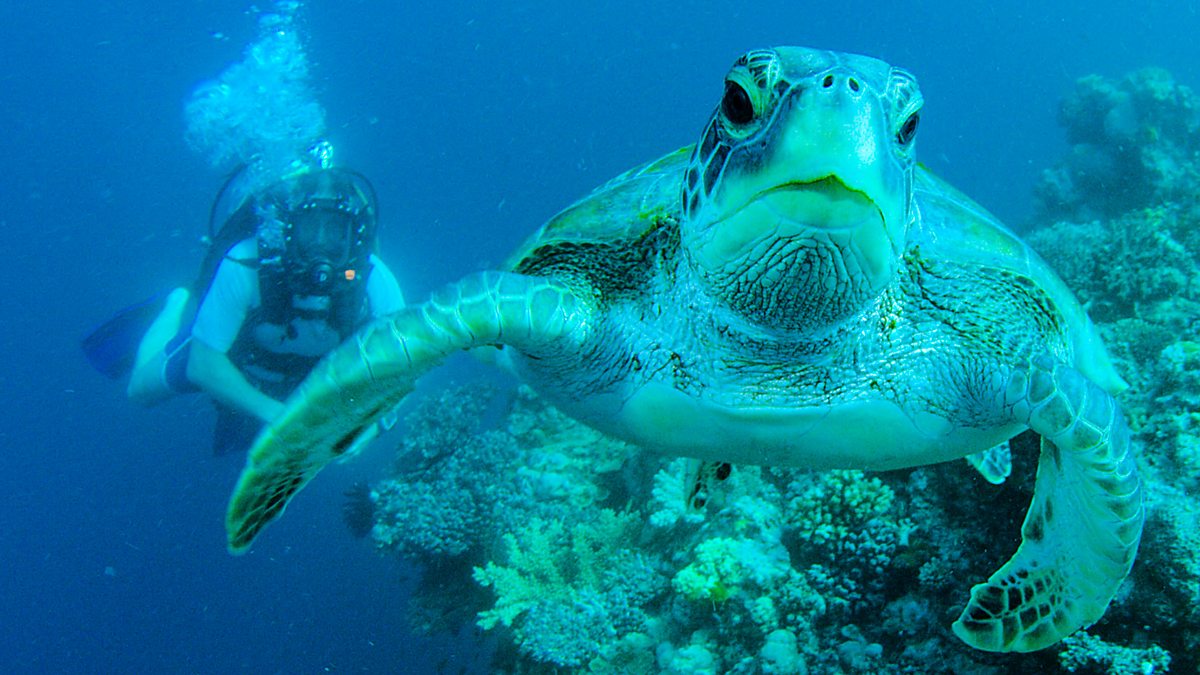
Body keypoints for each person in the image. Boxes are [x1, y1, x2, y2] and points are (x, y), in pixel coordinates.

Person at [85, 163, 405, 454]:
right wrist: (282, 419)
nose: (321, 245)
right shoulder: (244, 263)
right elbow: (203, 364)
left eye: (335, 231)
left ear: (354, 234)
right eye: (310, 229)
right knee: (139, 390)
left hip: (305, 369)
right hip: (237, 356)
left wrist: (375, 423)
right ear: (289, 229)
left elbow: (404, 365)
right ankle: (178, 301)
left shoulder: (375, 279)